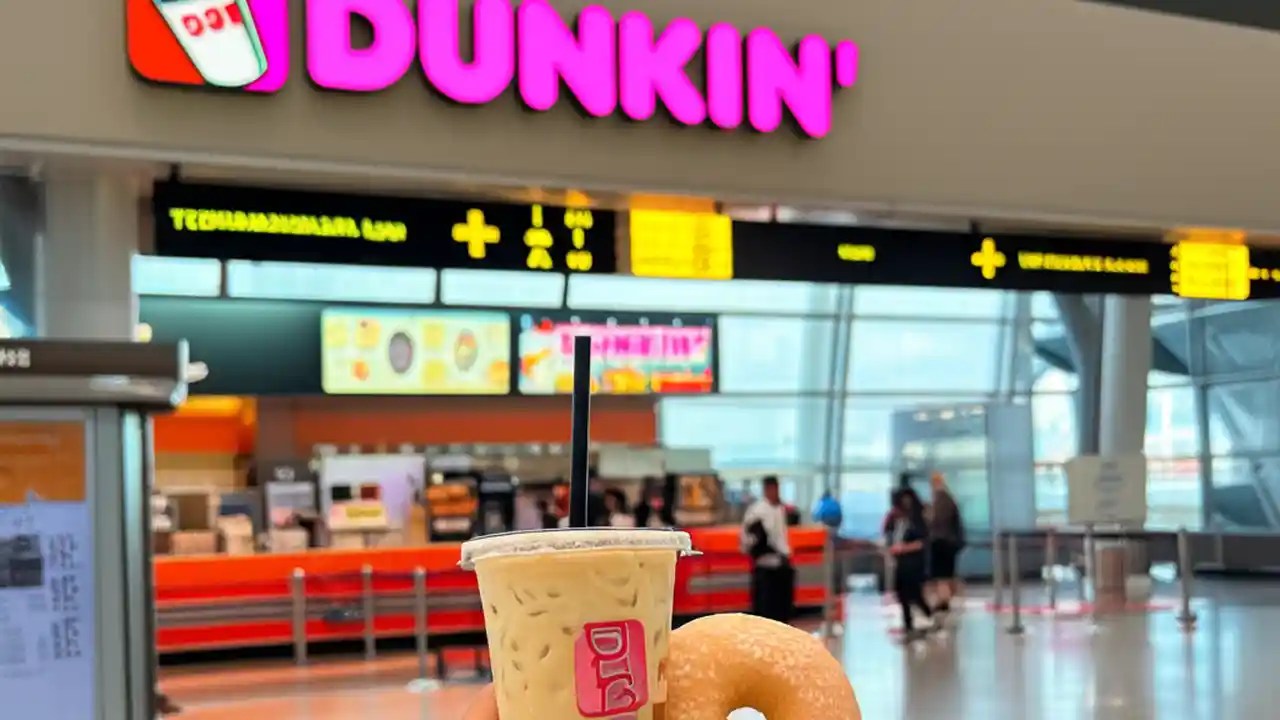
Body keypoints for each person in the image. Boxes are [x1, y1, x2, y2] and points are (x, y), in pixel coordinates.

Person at [741, 476, 793, 622]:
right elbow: (748, 537)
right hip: (764, 563)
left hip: (781, 562)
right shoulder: (757, 511)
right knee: (765, 608)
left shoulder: (779, 508)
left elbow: (781, 536)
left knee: (781, 607)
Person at [887, 487, 933, 639]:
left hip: (913, 562)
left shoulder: (917, 521)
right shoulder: (897, 521)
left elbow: (922, 542)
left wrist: (903, 548)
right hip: (900, 562)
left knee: (914, 593)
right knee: (902, 594)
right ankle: (908, 624)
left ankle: (929, 615)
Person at [927, 472, 965, 612]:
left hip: (943, 542)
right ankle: (945, 597)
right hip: (949, 541)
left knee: (942, 574)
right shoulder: (947, 498)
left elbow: (938, 521)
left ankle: (944, 599)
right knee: (946, 573)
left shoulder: (941, 499)